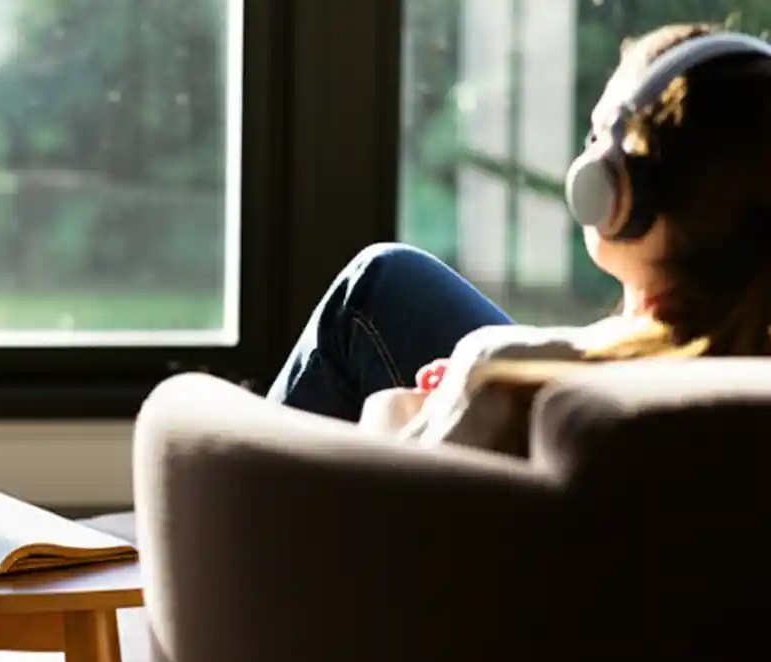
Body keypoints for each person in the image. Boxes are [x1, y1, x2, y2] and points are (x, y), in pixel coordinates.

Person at [267, 23, 771, 452]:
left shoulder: (504, 377)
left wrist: (395, 414)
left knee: (377, 286)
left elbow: (380, 511)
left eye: (598, 141)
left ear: (622, 193)